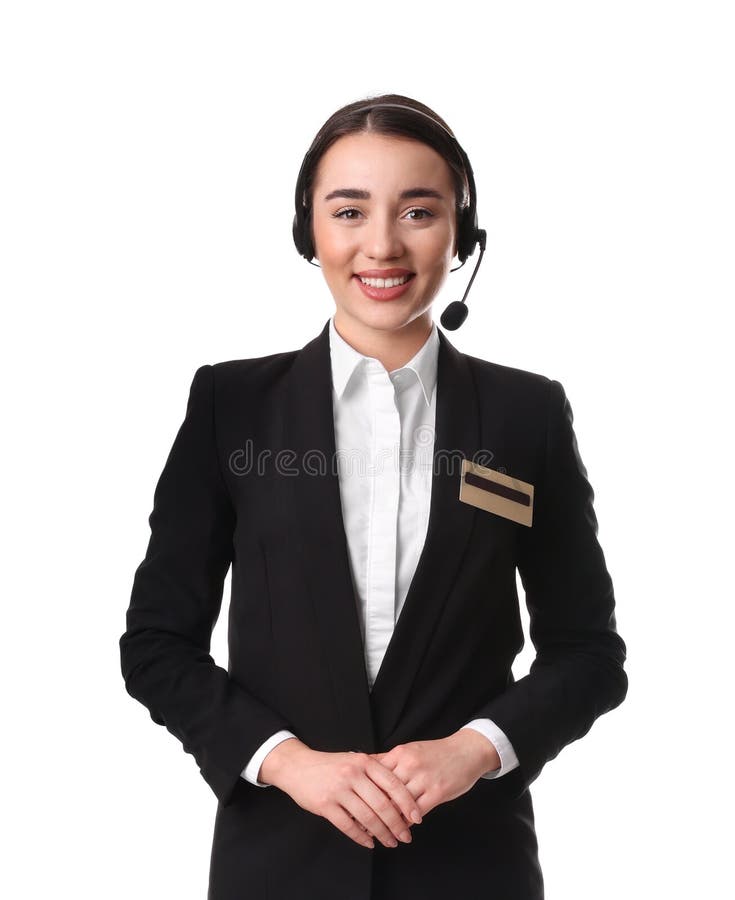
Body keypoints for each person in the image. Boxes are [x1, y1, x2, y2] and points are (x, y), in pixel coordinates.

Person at [119, 93, 628, 900]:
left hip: (472, 868)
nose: (381, 244)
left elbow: (589, 653)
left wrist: (476, 747)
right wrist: (287, 763)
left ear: (463, 236)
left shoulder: (527, 415)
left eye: (418, 211)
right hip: (278, 869)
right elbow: (156, 645)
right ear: (307, 230)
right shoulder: (231, 406)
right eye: (348, 210)